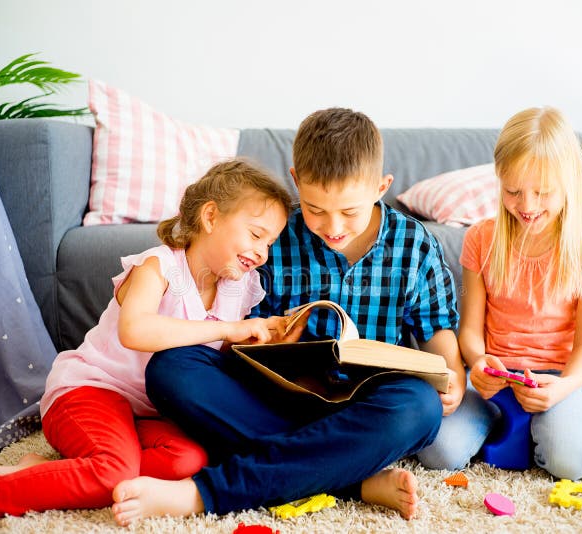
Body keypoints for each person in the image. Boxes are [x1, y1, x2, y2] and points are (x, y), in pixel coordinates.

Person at [110, 107, 486, 525]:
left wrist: (453, 376)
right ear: (295, 180)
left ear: (381, 188)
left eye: (349, 212)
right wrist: (267, 342)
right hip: (280, 397)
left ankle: (202, 494)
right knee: (172, 369)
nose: (333, 226)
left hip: (365, 404)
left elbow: (436, 329)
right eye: (315, 209)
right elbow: (239, 329)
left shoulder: (415, 244)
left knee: (419, 407)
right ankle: (352, 478)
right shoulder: (276, 235)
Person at [0, 159, 293, 533]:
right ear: (210, 217)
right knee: (114, 470)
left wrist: (265, 342)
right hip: (90, 391)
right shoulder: (159, 266)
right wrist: (231, 328)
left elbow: (211, 365)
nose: (262, 252)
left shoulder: (240, 288)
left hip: (149, 412)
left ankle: (49, 471)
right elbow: (135, 330)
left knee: (188, 461)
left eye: (270, 242)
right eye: (255, 234)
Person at [421, 106, 582, 480]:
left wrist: (562, 389)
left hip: (555, 380)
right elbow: (470, 331)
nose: (527, 206)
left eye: (542, 193)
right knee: (436, 451)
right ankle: (509, 425)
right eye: (513, 191)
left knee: (570, 462)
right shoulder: (481, 239)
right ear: (499, 180)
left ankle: (542, 426)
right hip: (492, 377)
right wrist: (479, 362)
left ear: (568, 183)